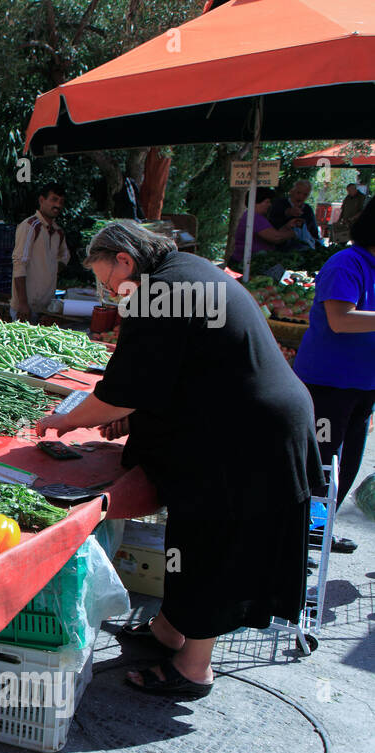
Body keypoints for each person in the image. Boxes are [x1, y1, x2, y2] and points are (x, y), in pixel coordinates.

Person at [34, 220, 323, 699]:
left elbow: (123, 391)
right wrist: (133, 412)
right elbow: (173, 371)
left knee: (212, 539)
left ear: (125, 261)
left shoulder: (159, 292)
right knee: (190, 534)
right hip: (251, 422)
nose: (111, 297)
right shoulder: (182, 272)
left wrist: (65, 422)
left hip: (249, 436)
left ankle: (193, 669)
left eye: (109, 285)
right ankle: (169, 630)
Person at [290, 199, 375, 552]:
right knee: (319, 466)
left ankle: (318, 533)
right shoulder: (346, 262)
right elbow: (341, 320)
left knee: (346, 465)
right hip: (327, 385)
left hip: (363, 386)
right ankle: (296, 539)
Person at [11, 183, 70, 324]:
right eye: (53, 200)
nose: (57, 205)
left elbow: (65, 257)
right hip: (25, 307)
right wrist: (23, 304)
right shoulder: (30, 226)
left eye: (61, 202)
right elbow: (19, 264)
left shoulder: (58, 232)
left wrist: (50, 269)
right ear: (42, 200)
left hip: (46, 306)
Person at [227, 188, 298, 269]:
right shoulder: (254, 218)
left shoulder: (256, 217)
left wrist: (287, 226)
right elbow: (276, 237)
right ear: (256, 202)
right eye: (267, 202)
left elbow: (273, 233)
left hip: (251, 263)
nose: (269, 205)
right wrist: (294, 233)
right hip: (244, 264)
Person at [268, 179, 321, 249]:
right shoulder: (279, 204)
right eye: (298, 193)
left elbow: (313, 231)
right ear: (291, 191)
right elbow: (271, 224)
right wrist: (287, 213)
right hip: (280, 247)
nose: (301, 197)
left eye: (305, 194)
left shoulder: (308, 210)